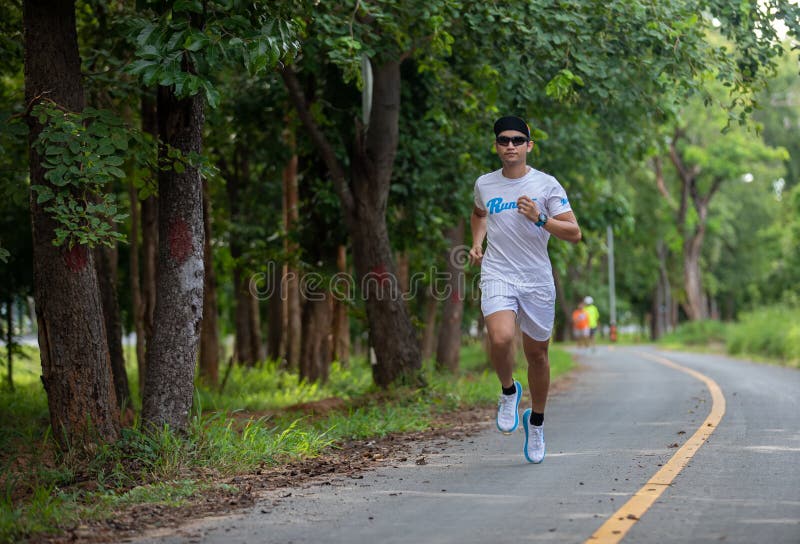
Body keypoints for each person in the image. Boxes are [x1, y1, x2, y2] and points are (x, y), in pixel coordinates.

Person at [469, 116, 582, 464]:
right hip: (498, 273)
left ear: (529, 146)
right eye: (504, 140)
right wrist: (477, 242)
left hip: (536, 279)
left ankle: (537, 422)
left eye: (518, 140)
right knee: (501, 338)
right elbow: (478, 214)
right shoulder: (485, 184)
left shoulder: (546, 185)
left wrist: (540, 218)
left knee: (537, 356)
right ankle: (508, 391)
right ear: (496, 146)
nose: (511, 145)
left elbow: (574, 233)